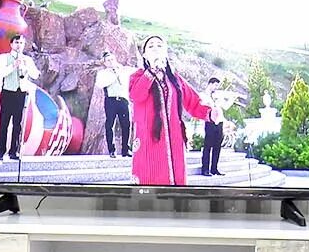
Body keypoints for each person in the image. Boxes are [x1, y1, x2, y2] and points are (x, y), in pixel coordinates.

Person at [129, 35, 210, 187]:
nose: (155, 48)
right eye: (151, 46)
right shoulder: (137, 76)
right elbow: (136, 96)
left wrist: (211, 114)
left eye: (159, 45)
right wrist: (151, 71)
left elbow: (193, 102)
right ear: (144, 55)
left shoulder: (175, 79)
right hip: (149, 142)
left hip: (174, 141)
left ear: (165, 52)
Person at [0, 38, 38, 162]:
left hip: (21, 93)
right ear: (11, 44)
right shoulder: (4, 58)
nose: (19, 45)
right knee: (4, 123)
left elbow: (35, 75)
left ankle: (14, 151)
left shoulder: (28, 59)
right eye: (16, 43)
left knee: (17, 124)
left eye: (21, 43)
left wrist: (27, 66)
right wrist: (13, 65)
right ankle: (0, 151)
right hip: (8, 92)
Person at [95, 50, 134, 157]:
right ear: (105, 63)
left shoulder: (123, 70)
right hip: (111, 100)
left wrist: (119, 71)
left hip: (123, 99)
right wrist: (113, 74)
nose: (111, 62)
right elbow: (100, 84)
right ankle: (112, 150)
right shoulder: (103, 73)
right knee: (110, 124)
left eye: (112, 59)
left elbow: (133, 74)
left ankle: (126, 149)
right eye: (108, 60)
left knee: (126, 124)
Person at [199, 74, 231, 178]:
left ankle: (214, 168)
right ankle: (205, 169)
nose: (216, 88)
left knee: (217, 147)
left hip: (219, 122)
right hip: (210, 121)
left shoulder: (217, 96)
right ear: (210, 84)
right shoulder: (204, 95)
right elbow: (203, 106)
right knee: (208, 146)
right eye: (215, 85)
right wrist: (213, 102)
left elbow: (225, 107)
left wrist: (231, 99)